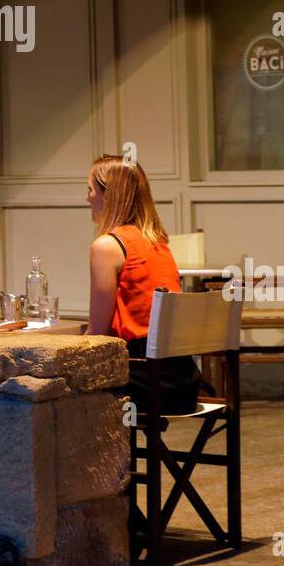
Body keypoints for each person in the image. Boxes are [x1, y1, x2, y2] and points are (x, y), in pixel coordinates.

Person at [85, 154, 203, 414]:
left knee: (61, 388)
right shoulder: (157, 242)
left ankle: (105, 456)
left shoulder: (108, 246)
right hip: (183, 381)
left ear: (109, 195)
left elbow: (98, 332)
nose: (87, 197)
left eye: (90, 189)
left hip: (145, 380)